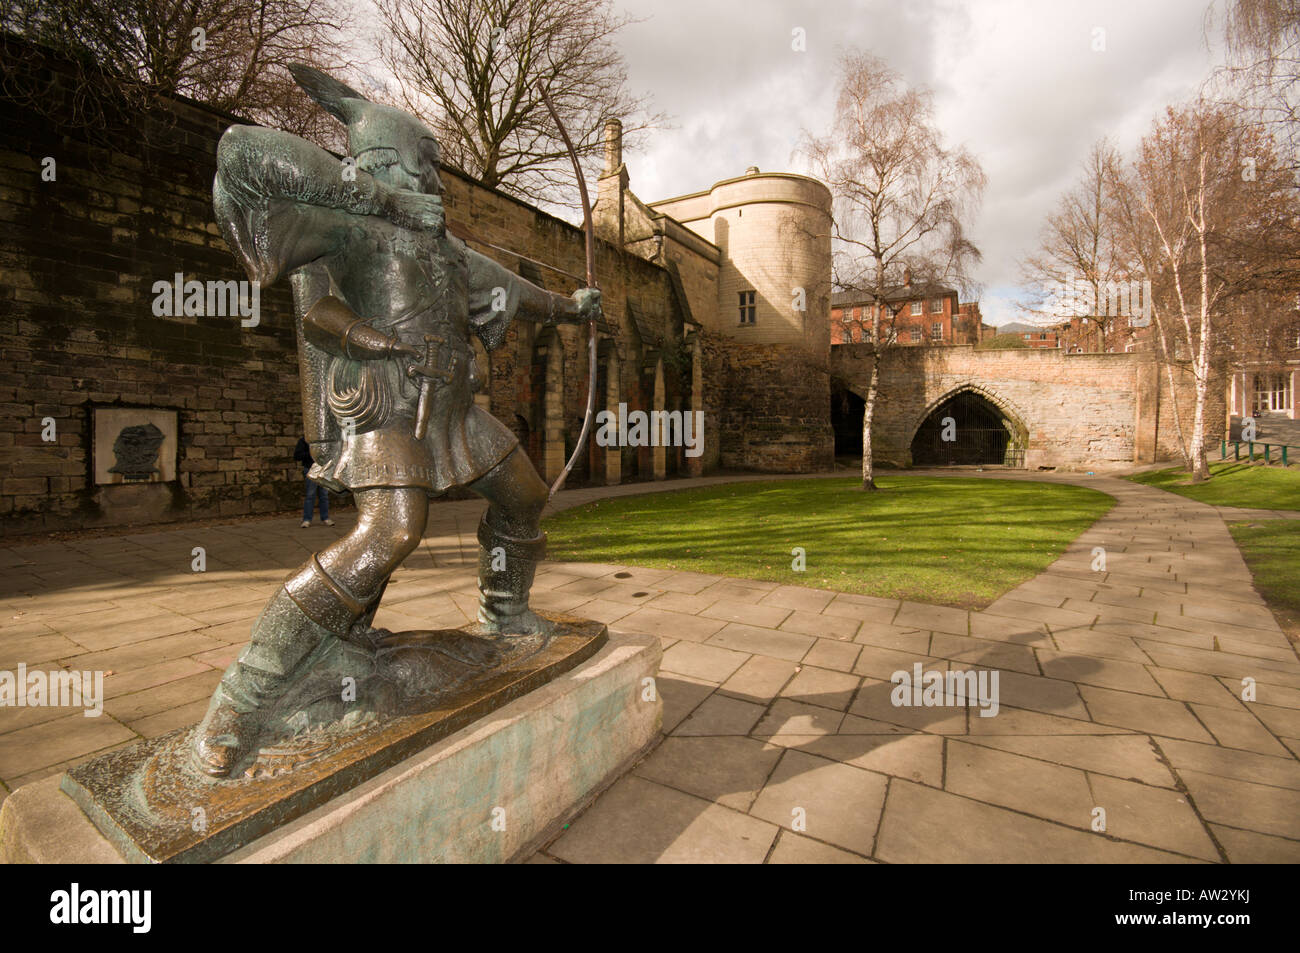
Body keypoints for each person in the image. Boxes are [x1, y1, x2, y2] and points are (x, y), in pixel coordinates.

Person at [192, 64, 601, 777]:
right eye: (426, 161)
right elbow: (241, 153)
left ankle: (504, 615)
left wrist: (570, 307)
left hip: (451, 408)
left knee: (525, 495)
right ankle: (241, 697)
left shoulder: (442, 242)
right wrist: (379, 218)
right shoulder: (343, 220)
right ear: (395, 159)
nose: (435, 177)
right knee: (390, 533)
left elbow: (509, 288)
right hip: (385, 404)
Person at [294, 436, 334, 528]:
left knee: (324, 495)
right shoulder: (304, 441)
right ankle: (307, 519)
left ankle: (325, 517)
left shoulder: (324, 441)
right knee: (310, 495)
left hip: (323, 470)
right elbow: (297, 456)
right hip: (310, 468)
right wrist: (312, 453)